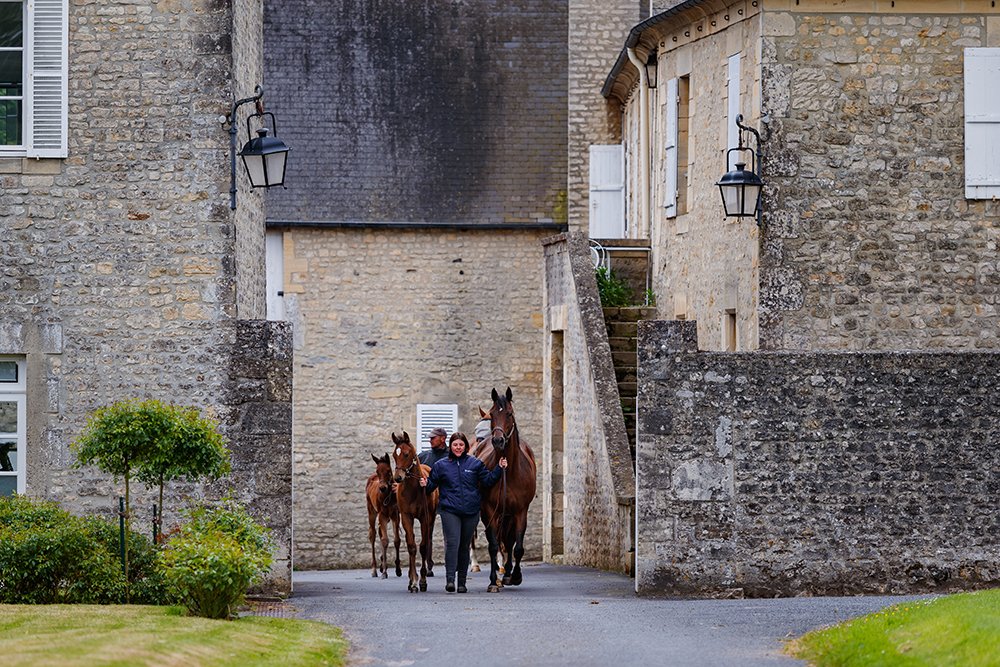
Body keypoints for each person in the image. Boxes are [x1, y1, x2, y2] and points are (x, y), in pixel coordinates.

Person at [420, 431, 506, 593]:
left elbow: (487, 481)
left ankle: (462, 583)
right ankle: (450, 580)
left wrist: (499, 469)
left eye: (461, 445)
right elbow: (431, 487)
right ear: (451, 447)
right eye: (455, 445)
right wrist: (425, 484)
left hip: (471, 511)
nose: (458, 447)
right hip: (449, 510)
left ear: (465, 446)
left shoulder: (475, 464)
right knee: (452, 544)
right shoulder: (441, 465)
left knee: (464, 546)